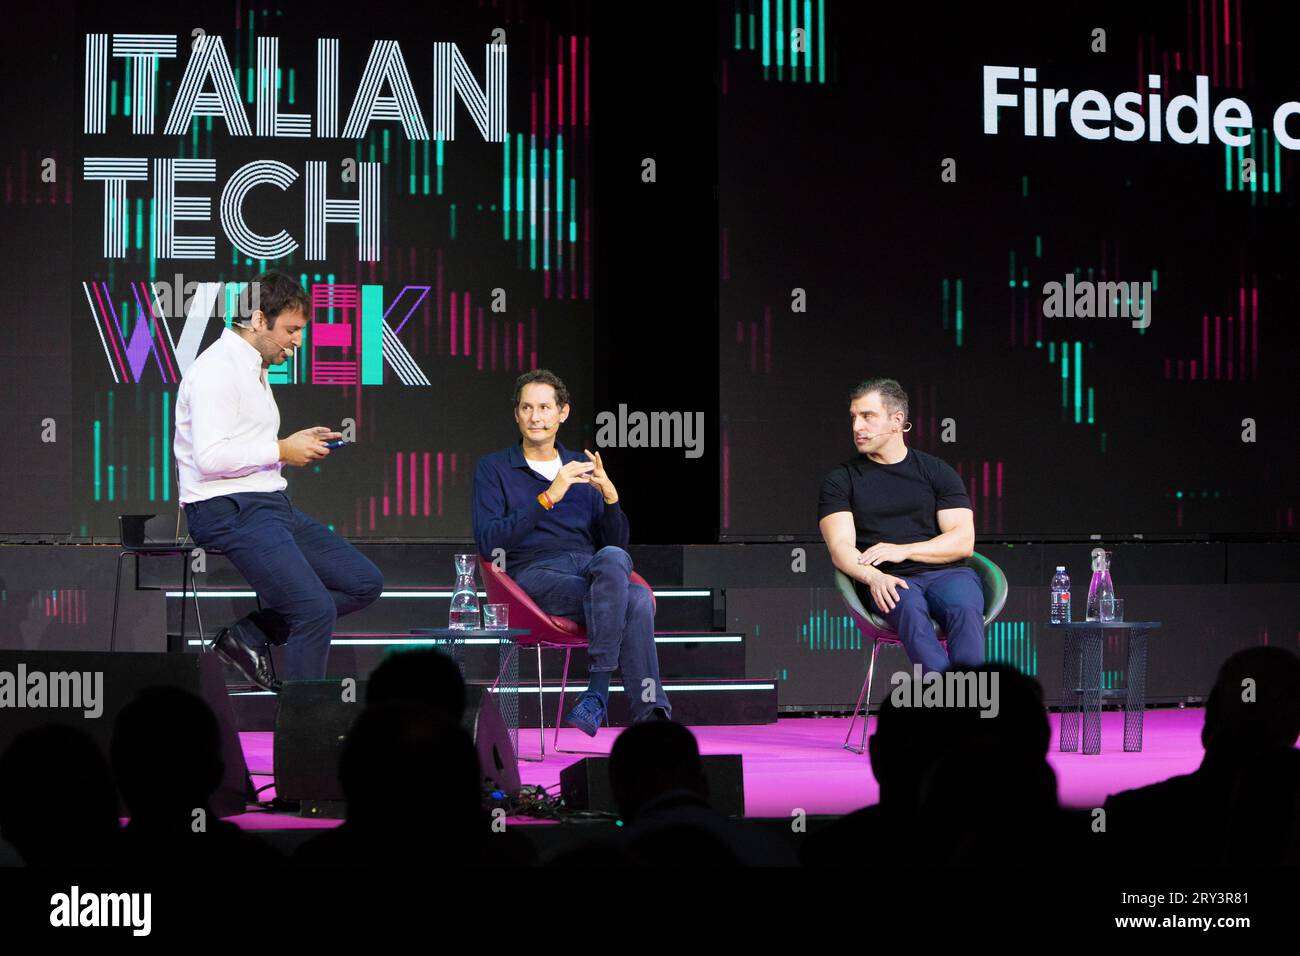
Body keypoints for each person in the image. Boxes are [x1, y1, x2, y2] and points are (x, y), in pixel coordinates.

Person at [174, 271, 383, 690]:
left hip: (268, 504)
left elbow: (247, 442)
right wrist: (282, 449)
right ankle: (304, 731)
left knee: (364, 582)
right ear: (257, 320)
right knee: (314, 610)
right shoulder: (217, 369)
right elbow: (211, 457)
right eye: (291, 330)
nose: (297, 342)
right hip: (227, 510)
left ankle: (248, 636)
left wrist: (291, 444)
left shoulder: (253, 366)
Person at [472, 369, 670, 735]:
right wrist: (548, 496)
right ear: (516, 414)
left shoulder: (582, 466)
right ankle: (644, 715)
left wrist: (611, 498)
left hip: (591, 568)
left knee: (613, 561)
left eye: (545, 407)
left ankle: (599, 697)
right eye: (527, 407)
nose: (536, 416)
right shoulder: (494, 468)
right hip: (533, 574)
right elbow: (489, 542)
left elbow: (616, 546)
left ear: (562, 413)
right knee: (636, 599)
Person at [817, 377, 983, 673]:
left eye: (868, 417)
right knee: (909, 608)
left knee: (965, 607)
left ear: (896, 421)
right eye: (854, 417)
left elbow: (962, 541)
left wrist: (903, 550)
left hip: (946, 574)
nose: (857, 427)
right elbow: (840, 547)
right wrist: (873, 577)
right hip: (886, 579)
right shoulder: (841, 480)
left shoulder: (936, 471)